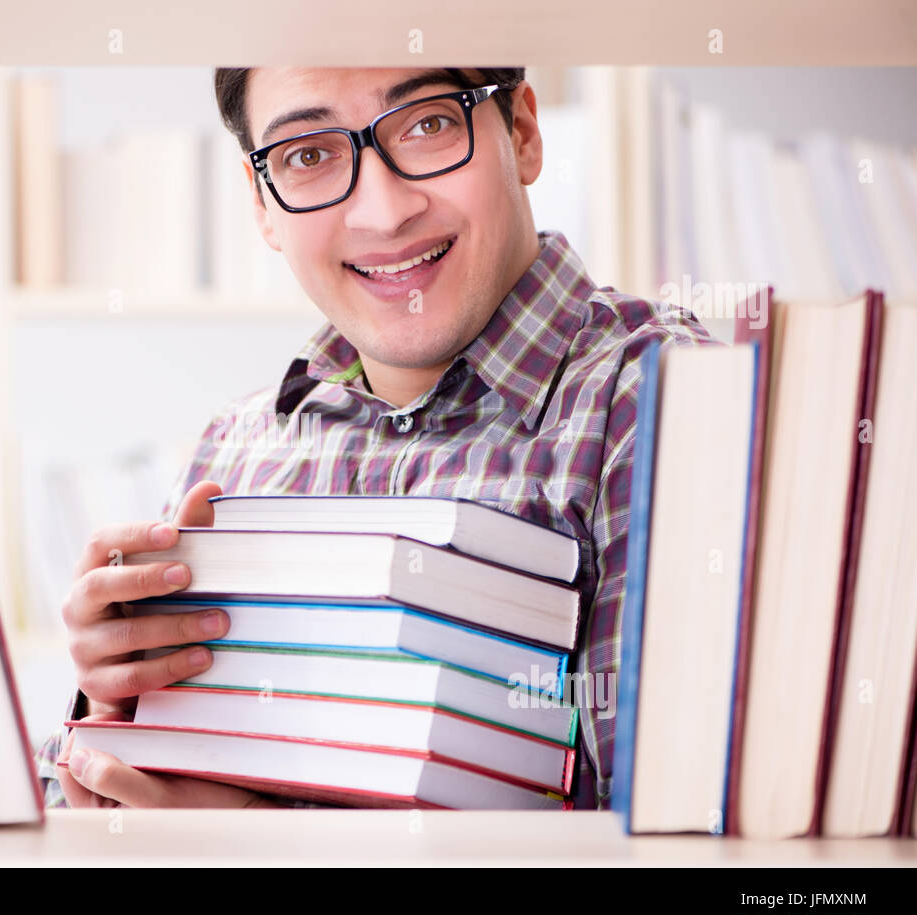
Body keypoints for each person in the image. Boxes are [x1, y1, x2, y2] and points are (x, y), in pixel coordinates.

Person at [39, 65, 713, 810]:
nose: (384, 211)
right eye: (308, 154)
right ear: (263, 202)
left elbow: (682, 835)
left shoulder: (667, 397)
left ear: (521, 131)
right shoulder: (233, 450)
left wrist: (259, 848)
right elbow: (72, 811)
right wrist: (113, 724)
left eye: (428, 123)